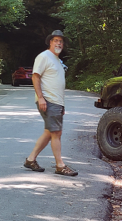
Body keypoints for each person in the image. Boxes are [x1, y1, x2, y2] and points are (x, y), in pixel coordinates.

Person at [23, 30, 78, 177]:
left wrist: (62, 105)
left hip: (56, 102)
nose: (59, 43)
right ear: (50, 42)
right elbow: (35, 77)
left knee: (49, 132)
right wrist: (40, 98)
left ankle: (30, 160)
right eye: (56, 40)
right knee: (56, 133)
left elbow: (57, 83)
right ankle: (60, 166)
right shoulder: (44, 56)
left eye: (61, 41)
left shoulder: (57, 60)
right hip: (48, 100)